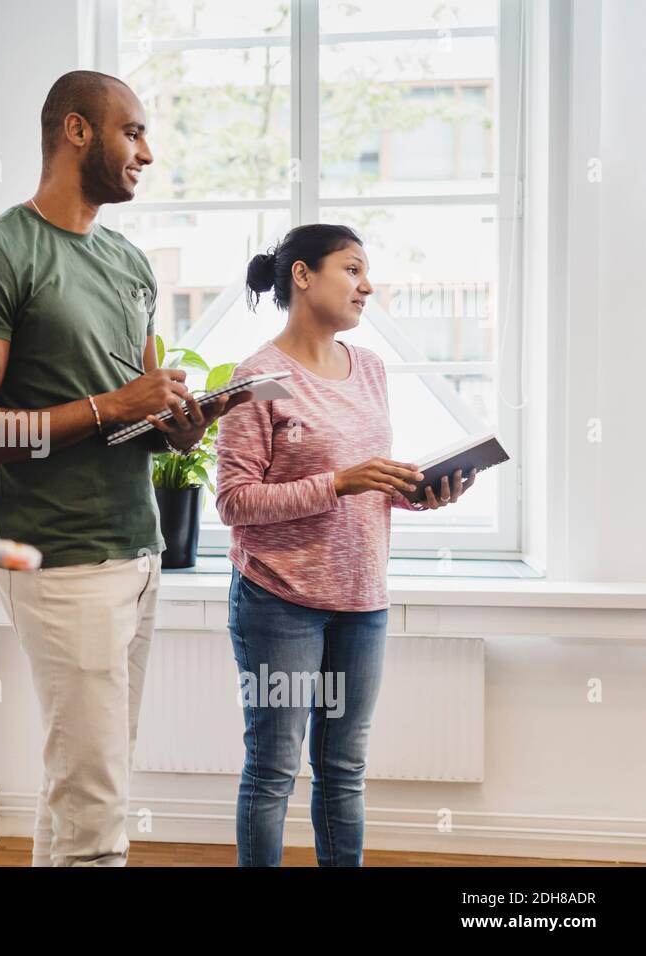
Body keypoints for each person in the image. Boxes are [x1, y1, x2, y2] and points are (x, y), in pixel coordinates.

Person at [0, 70, 246, 866]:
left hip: (139, 552)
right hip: (59, 557)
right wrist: (114, 405)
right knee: (98, 805)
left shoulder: (131, 264)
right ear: (76, 131)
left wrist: (180, 422)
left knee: (84, 782)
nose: (148, 151)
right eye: (132, 132)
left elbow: (141, 409)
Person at [215, 223, 477, 866]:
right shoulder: (261, 378)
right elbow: (234, 502)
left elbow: (364, 483)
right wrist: (337, 482)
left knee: (343, 768)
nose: (368, 285)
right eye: (352, 269)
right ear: (302, 275)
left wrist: (414, 491)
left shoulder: (371, 370)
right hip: (279, 599)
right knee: (274, 766)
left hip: (362, 598)